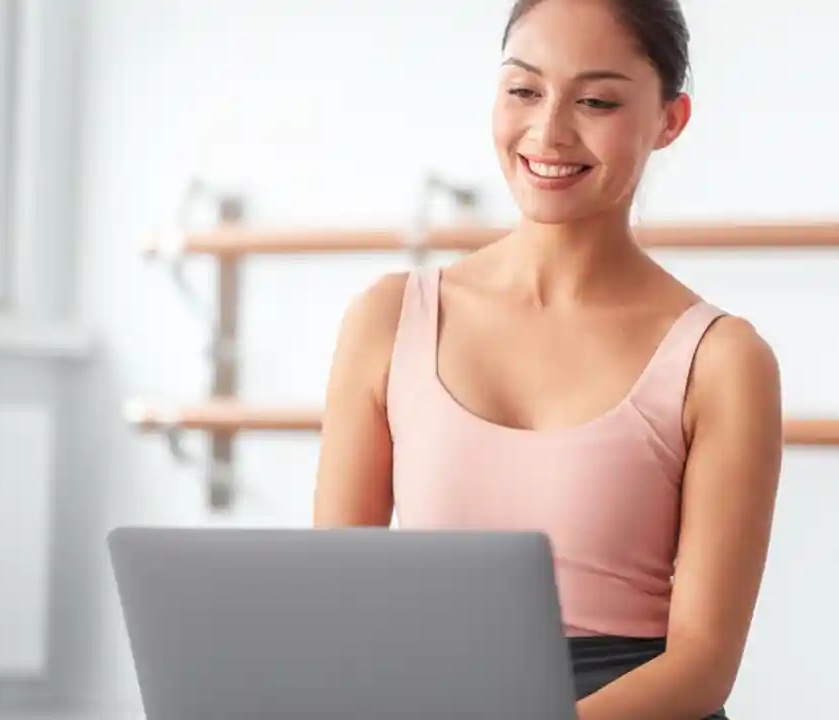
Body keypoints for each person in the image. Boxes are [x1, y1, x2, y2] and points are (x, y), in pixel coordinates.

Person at [313, 0, 783, 717]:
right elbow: (332, 606)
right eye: (524, 90)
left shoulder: (721, 361)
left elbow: (702, 666)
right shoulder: (387, 320)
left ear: (669, 121)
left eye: (596, 100)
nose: (549, 131)